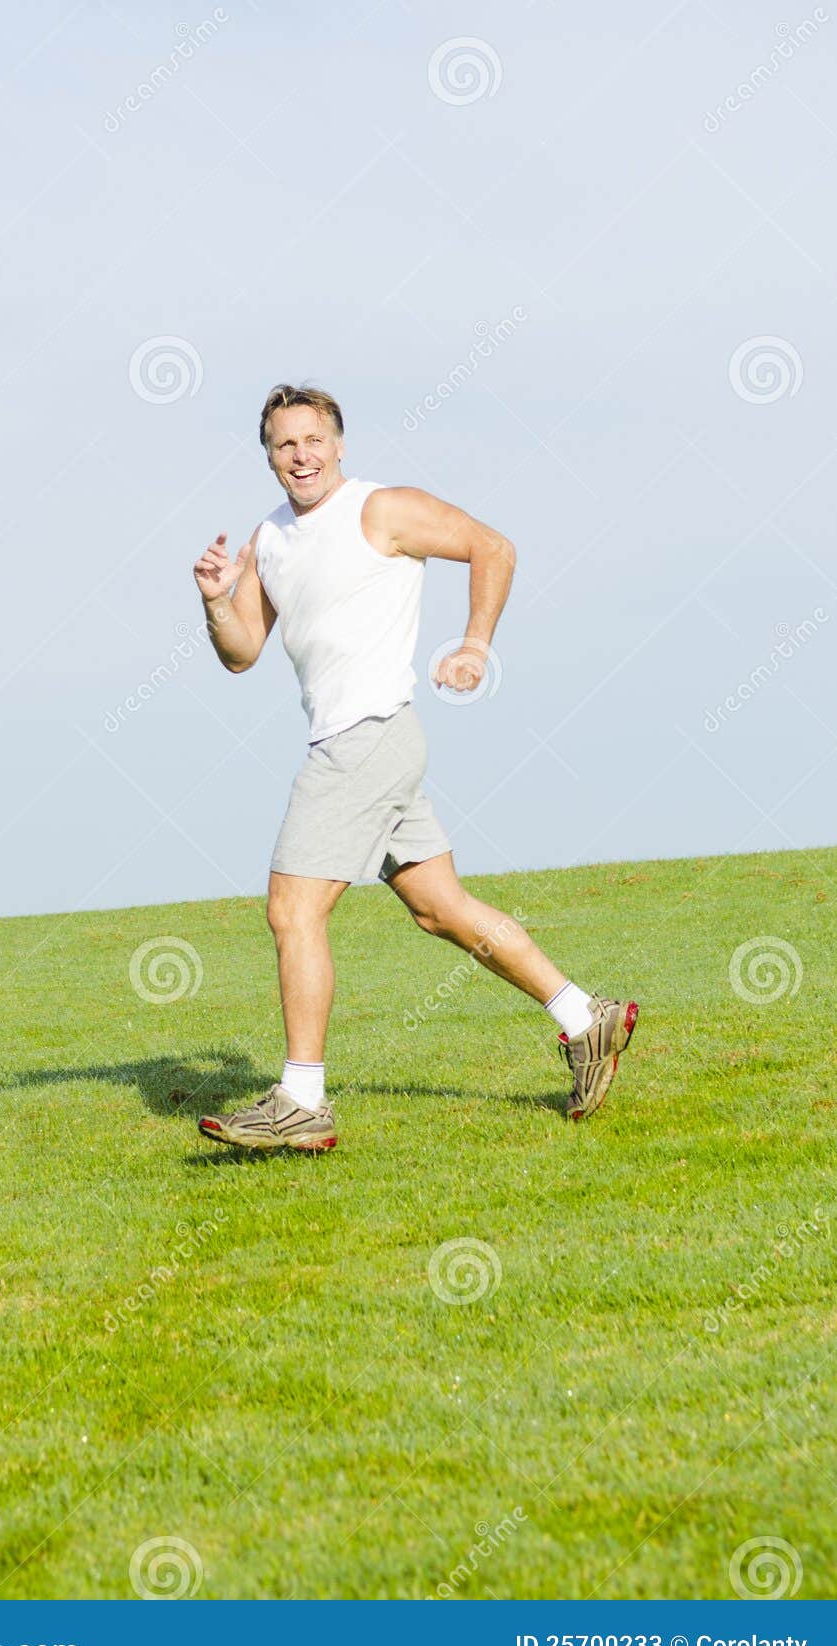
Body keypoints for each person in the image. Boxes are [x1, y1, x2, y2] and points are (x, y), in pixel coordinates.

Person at [191, 383, 637, 1153]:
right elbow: (242, 654)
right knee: (440, 908)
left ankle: (301, 1100)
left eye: (313, 439)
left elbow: (492, 546)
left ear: (339, 444)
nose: (300, 454)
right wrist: (214, 603)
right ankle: (584, 1017)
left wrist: (474, 645)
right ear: (268, 457)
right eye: (283, 444)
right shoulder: (271, 540)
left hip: (365, 738)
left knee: (293, 911)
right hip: (358, 740)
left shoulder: (381, 510)